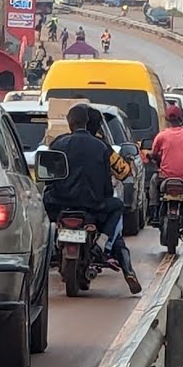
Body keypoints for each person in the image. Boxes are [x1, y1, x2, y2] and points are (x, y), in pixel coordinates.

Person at [45, 104, 141, 294]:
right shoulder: (102, 147)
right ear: (89, 122)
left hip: (61, 203)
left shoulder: (57, 144)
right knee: (117, 206)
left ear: (69, 123)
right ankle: (102, 242)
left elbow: (48, 173)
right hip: (95, 206)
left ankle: (46, 246)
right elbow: (123, 172)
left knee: (42, 206)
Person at [150, 105, 183, 234]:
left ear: (167, 119)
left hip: (165, 176)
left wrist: (152, 157)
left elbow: (154, 153)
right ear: (181, 118)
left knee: (153, 182)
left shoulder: (161, 136)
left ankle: (154, 214)